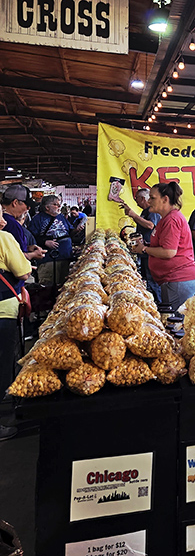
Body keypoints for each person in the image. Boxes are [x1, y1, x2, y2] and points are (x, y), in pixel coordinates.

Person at [129, 182, 195, 312]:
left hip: (179, 279)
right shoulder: (166, 218)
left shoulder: (172, 220)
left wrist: (144, 249)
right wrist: (146, 245)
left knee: (174, 319)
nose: (148, 201)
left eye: (152, 198)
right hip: (174, 280)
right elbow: (164, 245)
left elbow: (169, 251)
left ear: (165, 199)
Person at [0, 214, 32, 441]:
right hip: (2, 312)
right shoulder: (3, 238)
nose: (3, 221)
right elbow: (23, 272)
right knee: (2, 365)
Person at [121, 188, 162, 303]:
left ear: (143, 198)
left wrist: (133, 215)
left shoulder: (152, 211)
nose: (136, 201)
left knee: (152, 280)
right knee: (147, 279)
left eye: (137, 199)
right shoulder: (145, 212)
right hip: (143, 251)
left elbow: (150, 225)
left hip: (150, 251)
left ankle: (158, 304)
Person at [28, 195, 73, 286]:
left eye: (59, 204)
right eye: (55, 204)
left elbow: (70, 231)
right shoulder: (37, 219)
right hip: (48, 260)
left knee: (63, 286)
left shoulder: (61, 217)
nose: (59, 206)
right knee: (47, 285)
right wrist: (44, 242)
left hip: (65, 257)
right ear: (47, 207)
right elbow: (31, 237)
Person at [1, 184, 46, 262]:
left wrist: (28, 248)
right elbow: (14, 258)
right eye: (27, 205)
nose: (28, 208)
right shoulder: (12, 225)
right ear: (15, 203)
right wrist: (32, 255)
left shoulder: (6, 220)